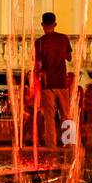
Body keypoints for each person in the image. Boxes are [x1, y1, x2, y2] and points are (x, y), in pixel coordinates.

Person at [34, 11, 73, 151]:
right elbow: (69, 58)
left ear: (42, 25)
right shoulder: (63, 39)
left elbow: (38, 65)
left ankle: (51, 146)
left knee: (49, 117)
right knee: (66, 115)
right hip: (62, 82)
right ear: (55, 24)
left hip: (47, 84)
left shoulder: (39, 43)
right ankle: (68, 143)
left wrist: (37, 74)